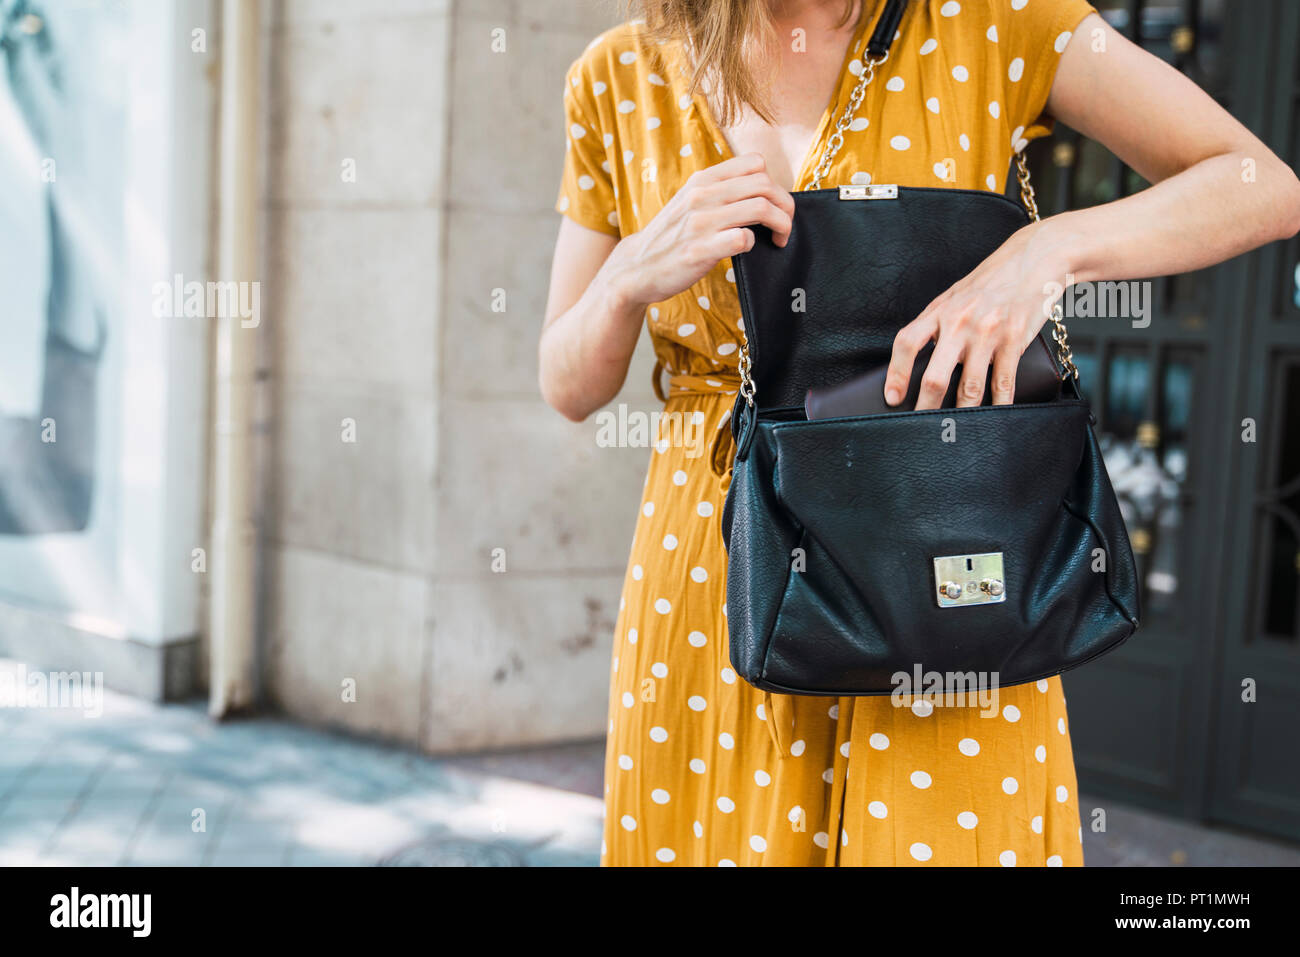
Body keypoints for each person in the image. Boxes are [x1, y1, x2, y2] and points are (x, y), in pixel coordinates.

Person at [539, 0, 1300, 866]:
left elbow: (1262, 184)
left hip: (941, 553)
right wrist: (628, 279)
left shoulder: (992, 21)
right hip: (714, 576)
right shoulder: (619, 74)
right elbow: (567, 384)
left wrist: (1044, 252)